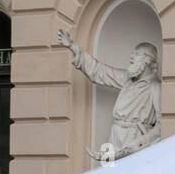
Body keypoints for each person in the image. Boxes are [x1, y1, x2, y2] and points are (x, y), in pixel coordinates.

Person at [57, 29, 161, 160]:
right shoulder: (127, 79)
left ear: (147, 59)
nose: (131, 57)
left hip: (135, 137)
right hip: (115, 134)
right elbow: (99, 71)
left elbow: (160, 125)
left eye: (136, 54)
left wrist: (140, 142)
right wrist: (73, 47)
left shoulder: (155, 86)